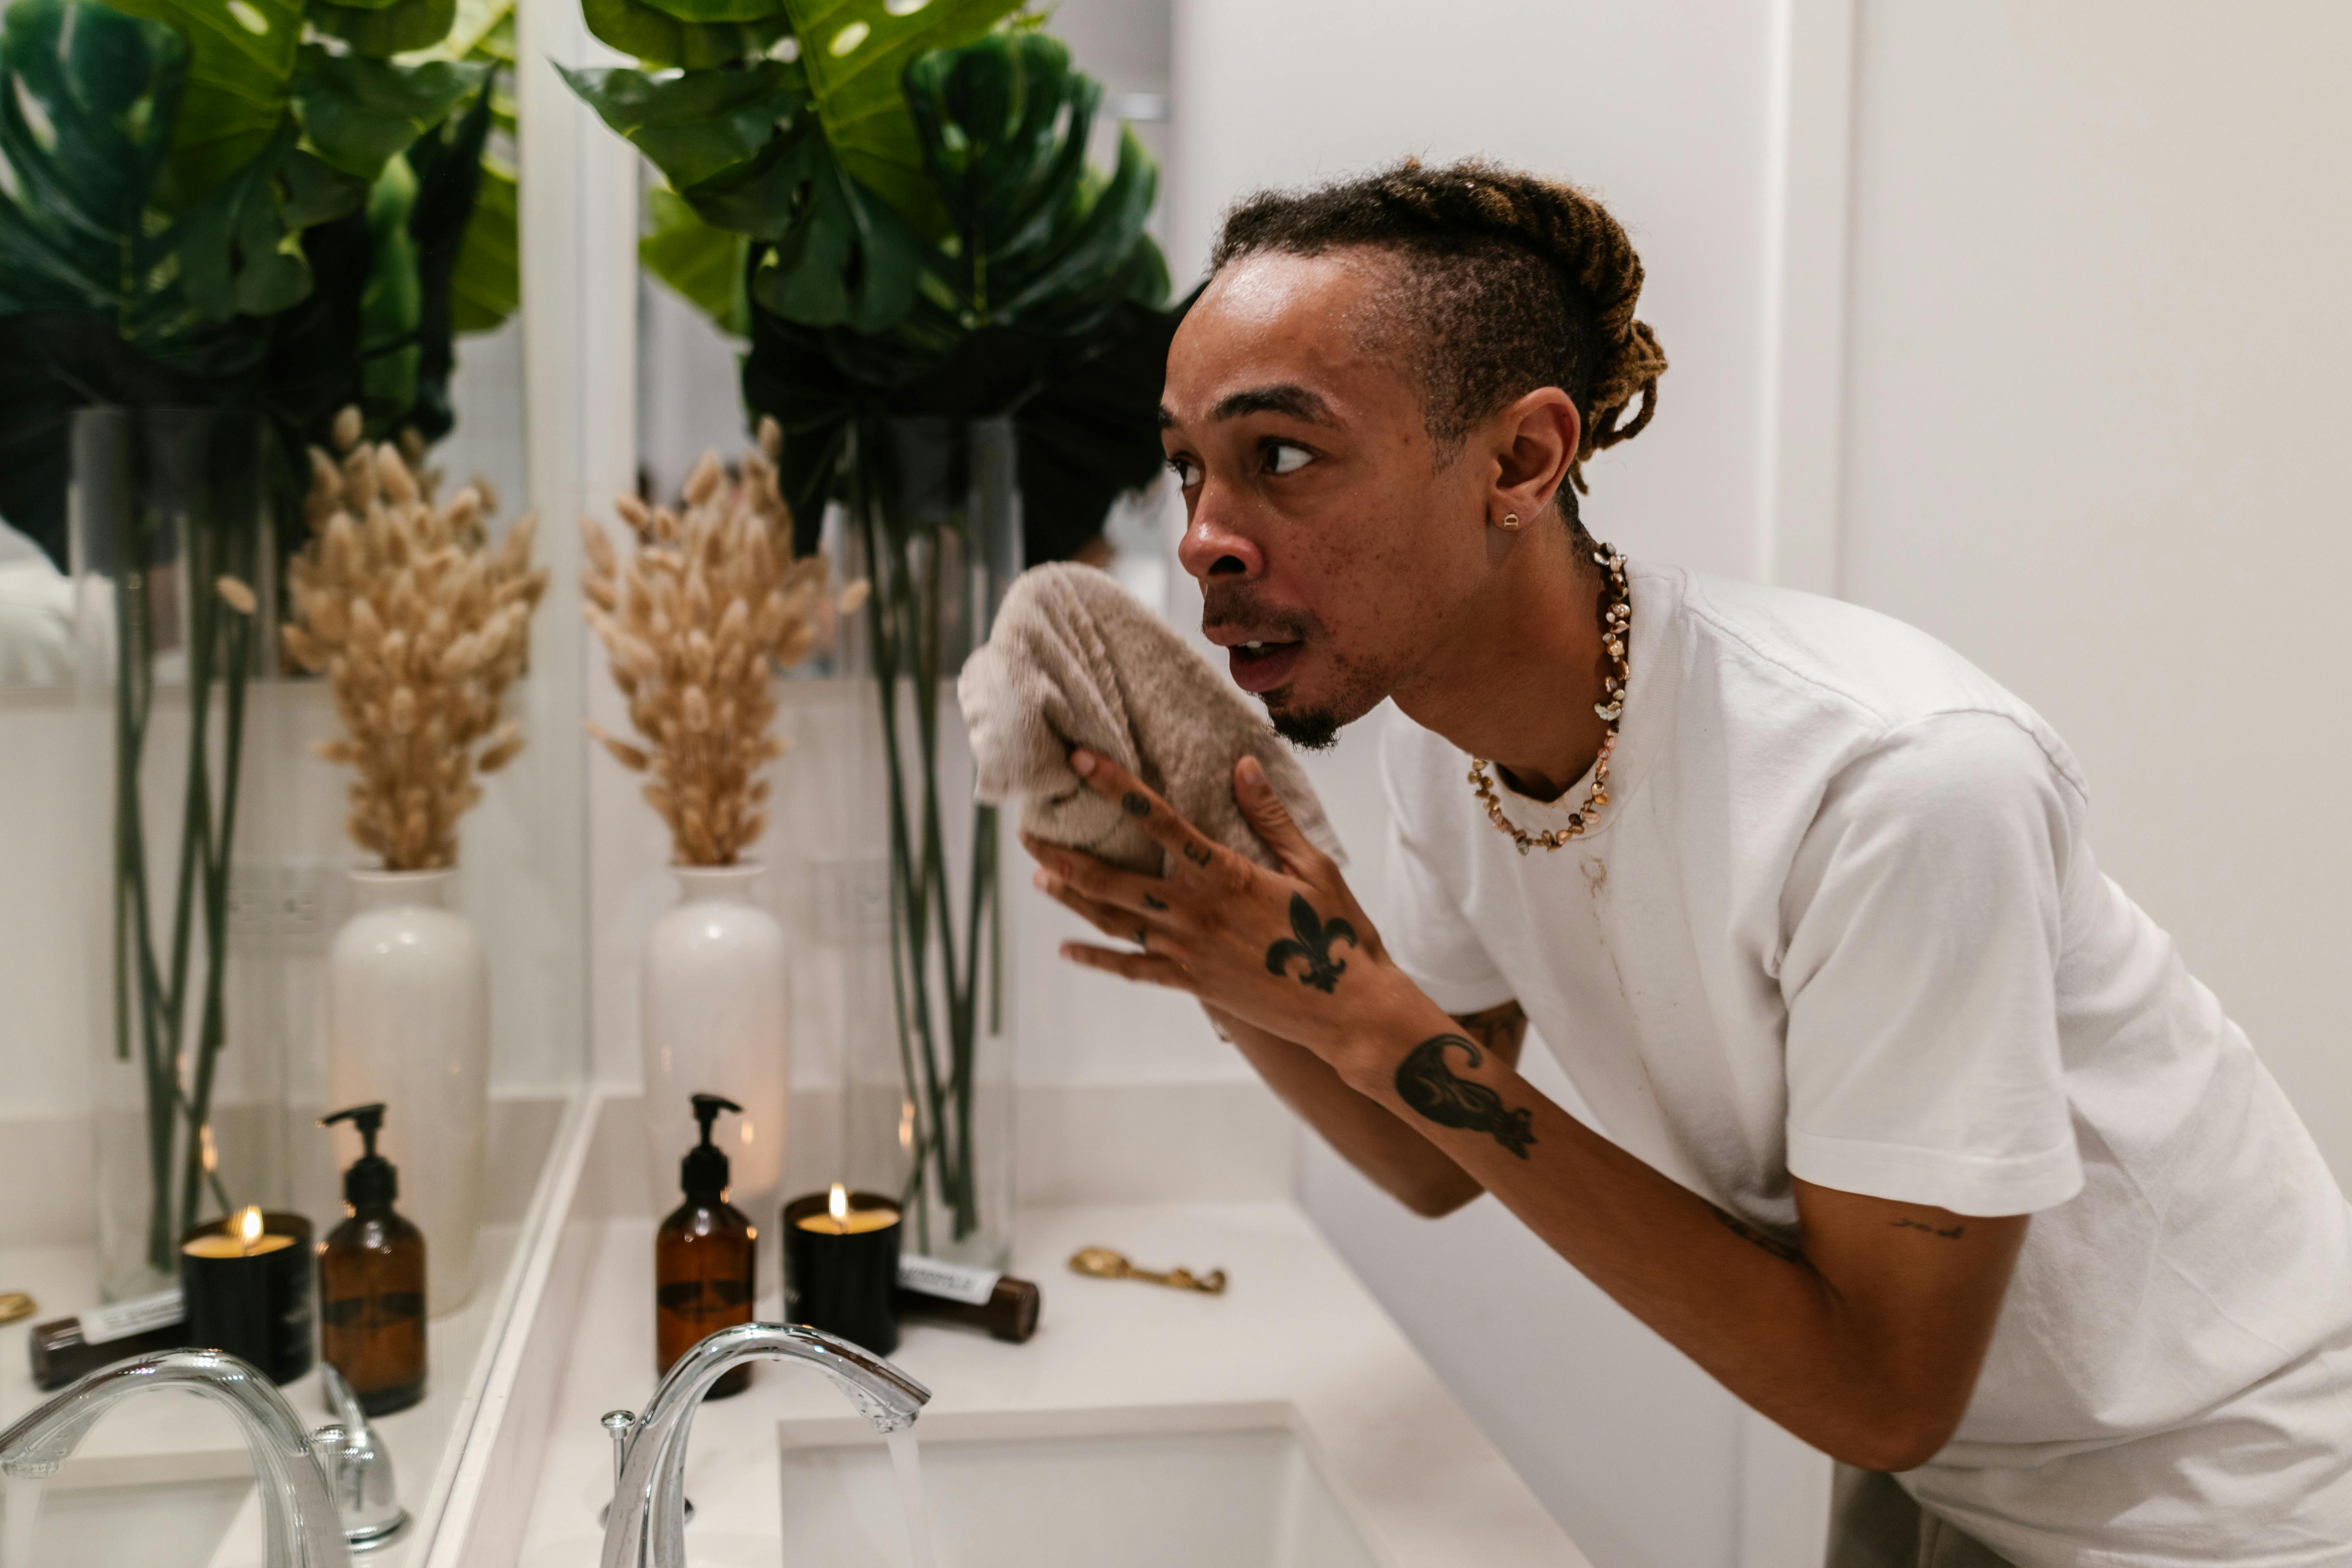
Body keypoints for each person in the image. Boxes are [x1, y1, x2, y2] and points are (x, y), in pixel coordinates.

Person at [1018, 158, 2352, 1568]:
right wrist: (1229, 956)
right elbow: (1433, 1163)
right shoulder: (1433, 728)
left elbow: (1878, 1392)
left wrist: (1369, 1017)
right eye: (1186, 467)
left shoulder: (1895, 781)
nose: (1204, 539)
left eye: (1278, 455)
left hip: (2235, 1509)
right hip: (1964, 1491)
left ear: (1522, 461)